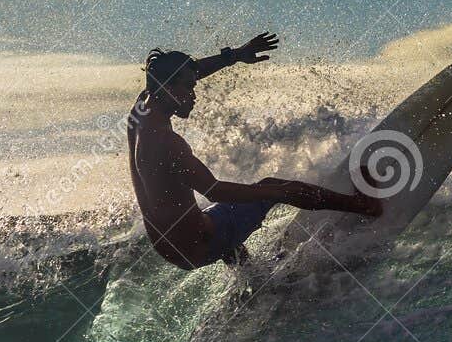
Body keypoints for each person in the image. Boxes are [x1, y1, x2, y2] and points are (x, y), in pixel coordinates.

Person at [126, 32, 380, 269]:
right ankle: (363, 205)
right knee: (273, 188)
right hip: (201, 244)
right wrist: (277, 192)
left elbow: (187, 72)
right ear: (168, 88)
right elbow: (215, 191)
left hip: (170, 248)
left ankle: (249, 278)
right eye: (189, 88)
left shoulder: (140, 113)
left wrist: (234, 56)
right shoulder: (167, 143)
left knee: (218, 217)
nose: (194, 95)